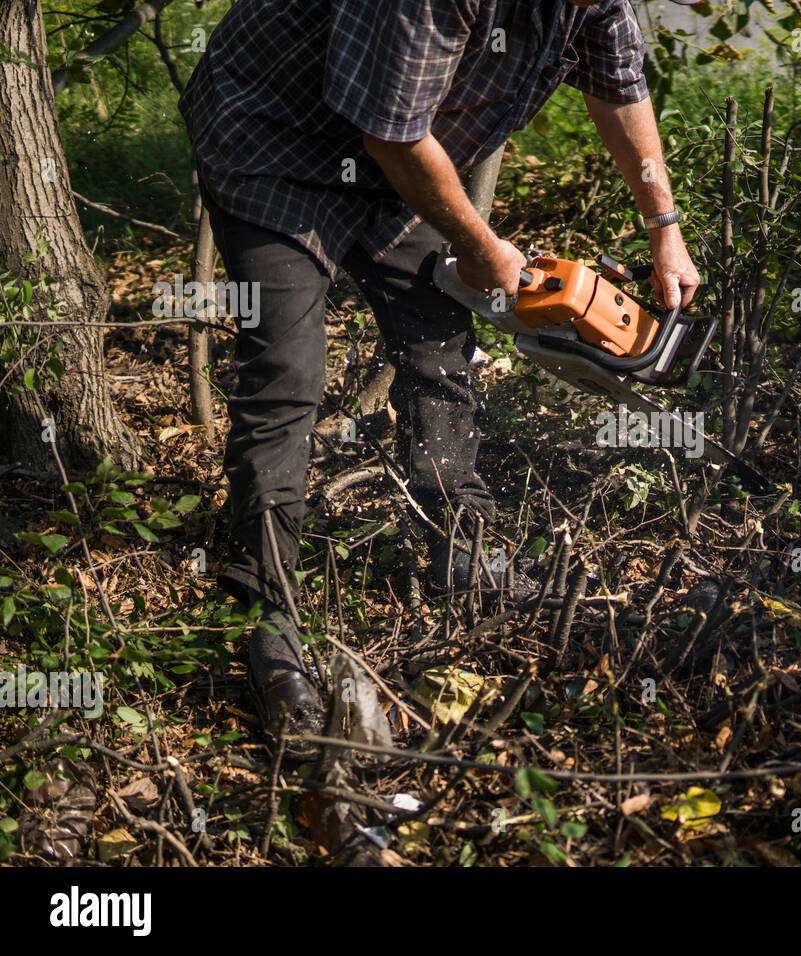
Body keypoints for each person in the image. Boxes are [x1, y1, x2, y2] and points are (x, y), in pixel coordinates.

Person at [177, 0, 701, 750]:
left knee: (440, 346)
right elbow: (390, 133)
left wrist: (664, 229)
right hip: (273, 141)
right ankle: (270, 608)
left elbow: (619, 87)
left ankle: (468, 554)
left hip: (394, 157)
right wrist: (479, 242)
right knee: (287, 371)